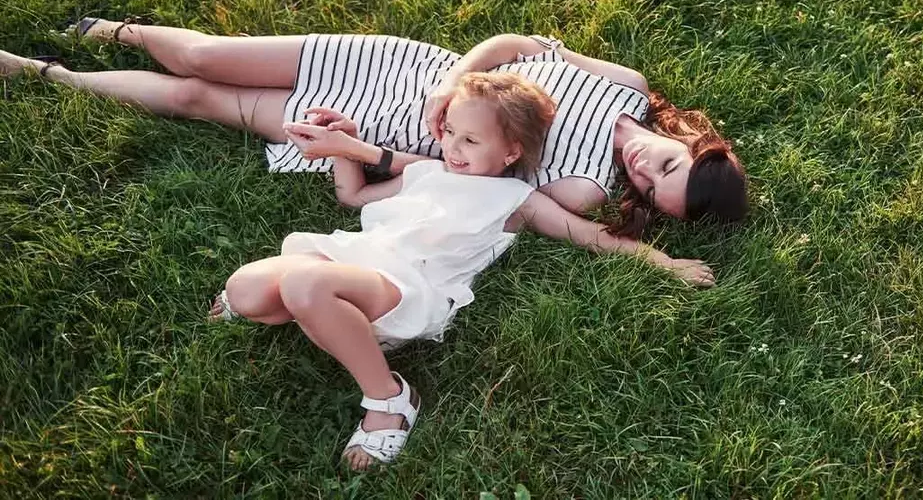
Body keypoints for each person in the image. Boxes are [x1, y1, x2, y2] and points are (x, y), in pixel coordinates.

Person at [206, 72, 712, 470]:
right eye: (449, 133)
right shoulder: (425, 171)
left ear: (511, 152)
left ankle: (390, 400)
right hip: (354, 258)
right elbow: (353, 196)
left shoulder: (517, 199)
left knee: (301, 283)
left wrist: (666, 263)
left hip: (406, 287)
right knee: (245, 292)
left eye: (470, 141)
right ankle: (328, 317)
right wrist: (346, 143)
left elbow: (595, 236)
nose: (452, 148)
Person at [0, 18, 748, 279]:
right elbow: (519, 43)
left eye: (653, 195)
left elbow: (473, 184)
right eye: (670, 165)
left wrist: (352, 149)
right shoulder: (627, 85)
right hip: (403, 68)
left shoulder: (585, 185)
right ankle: (116, 29)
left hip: (380, 132)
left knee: (200, 100)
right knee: (205, 57)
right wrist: (454, 80)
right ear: (692, 141)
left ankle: (48, 73)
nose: (645, 173)